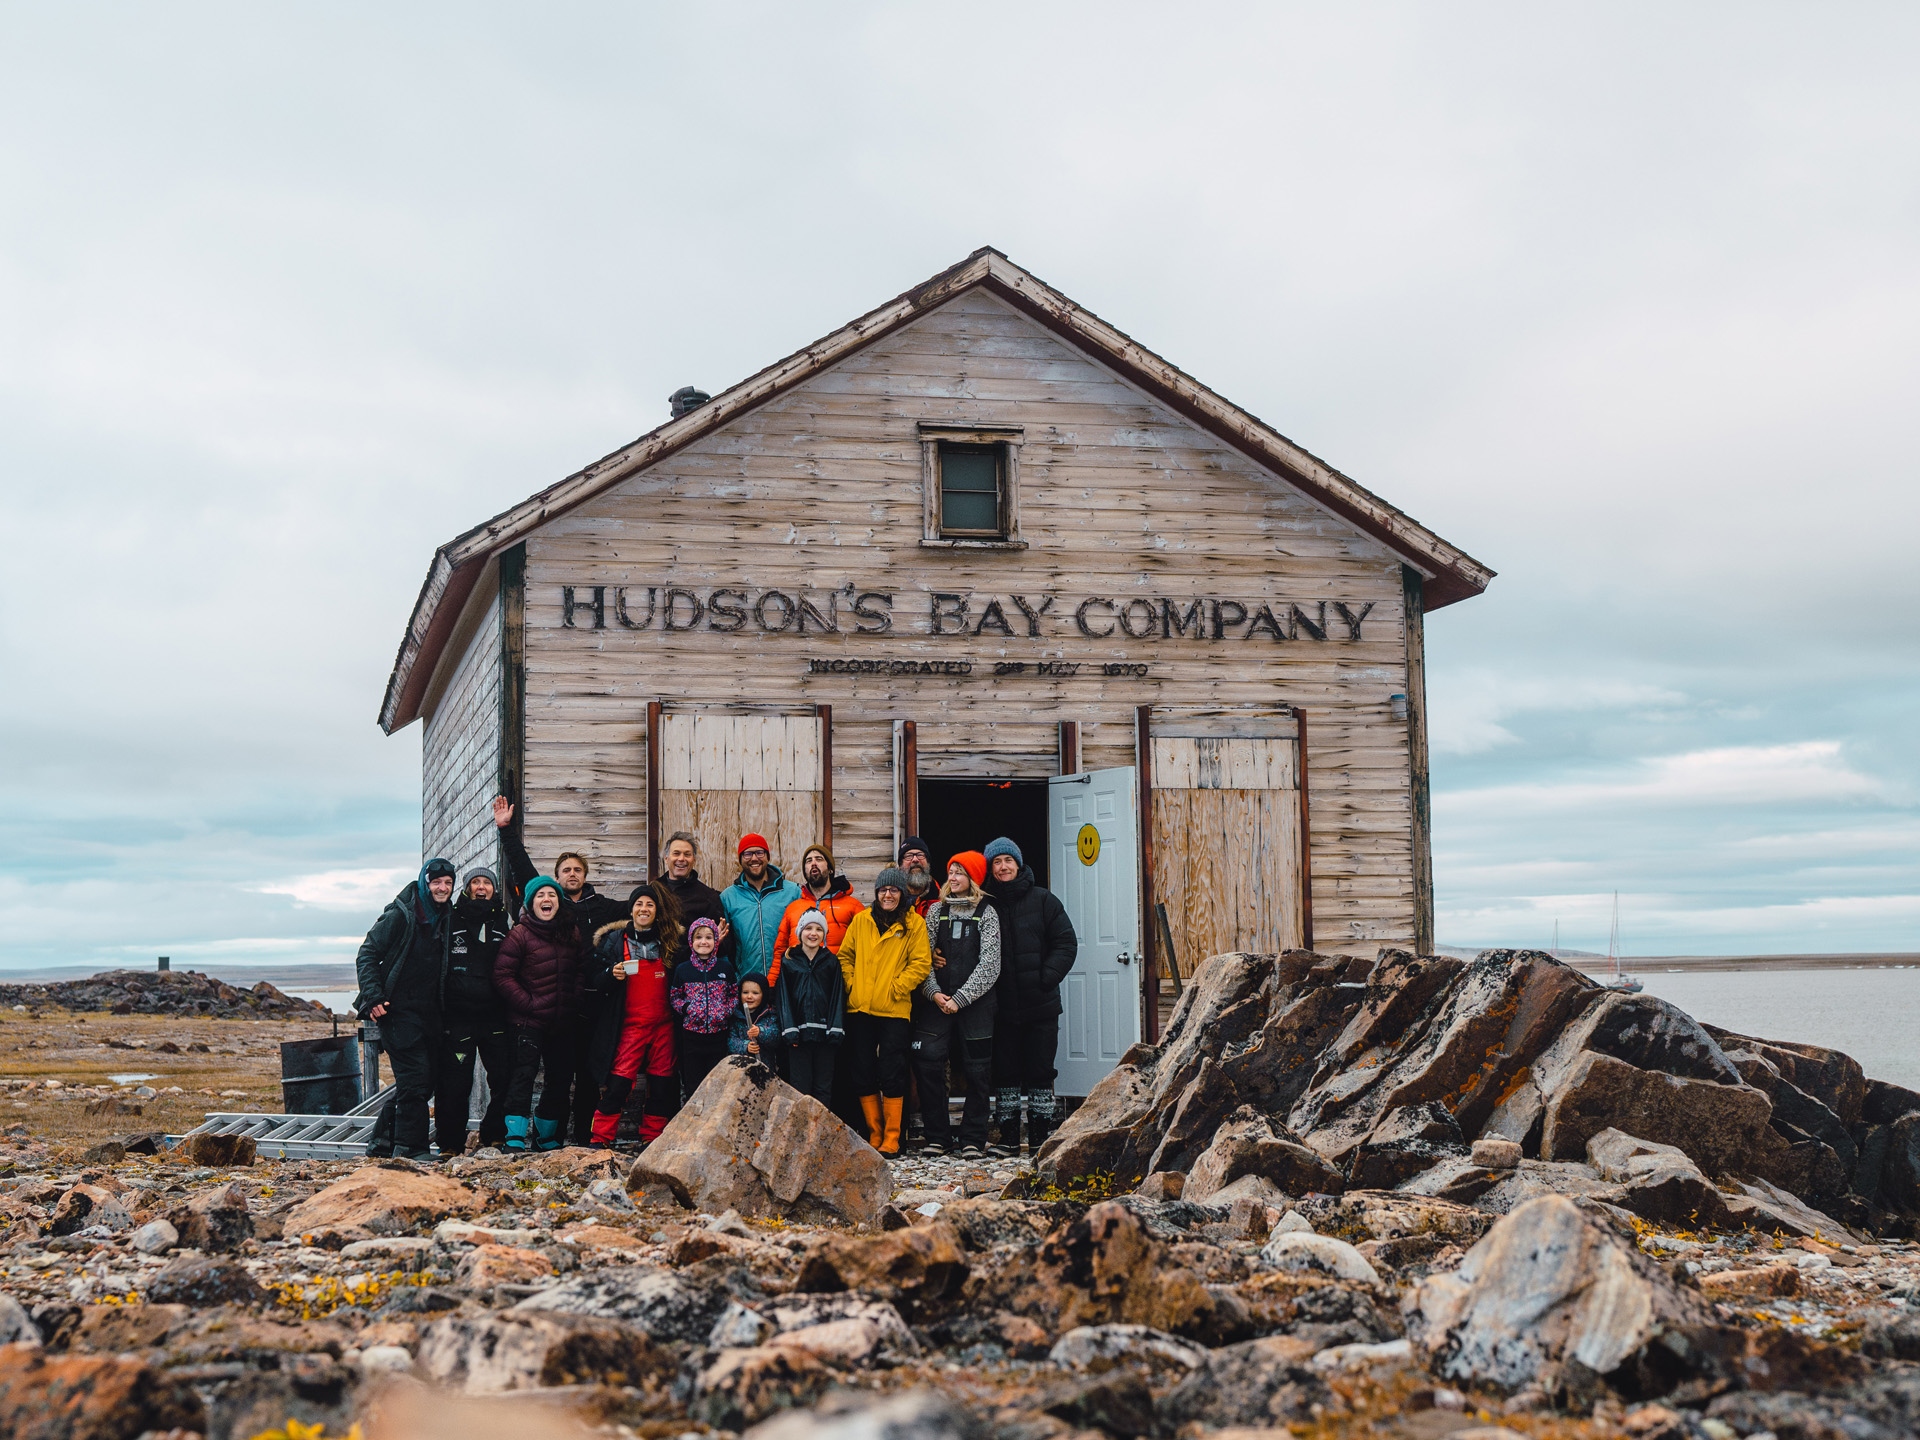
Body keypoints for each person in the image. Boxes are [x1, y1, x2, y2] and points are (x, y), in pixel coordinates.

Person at [493, 796, 625, 1144]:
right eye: (564, 870)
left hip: (578, 1009)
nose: (571, 874)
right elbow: (523, 871)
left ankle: (567, 1137)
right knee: (523, 1075)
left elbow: (642, 911)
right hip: (534, 1014)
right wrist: (506, 831)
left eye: (576, 869)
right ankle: (516, 1138)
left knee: (570, 1076)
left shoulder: (601, 908)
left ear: (585, 875)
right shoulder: (538, 914)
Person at [354, 859, 456, 1160]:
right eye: (436, 882)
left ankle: (382, 1144)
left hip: (429, 1015)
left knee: (421, 1083)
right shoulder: (402, 913)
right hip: (396, 1012)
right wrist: (372, 997)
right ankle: (411, 1149)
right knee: (415, 1080)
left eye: (448, 882)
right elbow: (367, 953)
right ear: (425, 882)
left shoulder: (446, 915)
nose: (442, 887)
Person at [982, 838, 1078, 1155]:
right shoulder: (985, 905)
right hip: (1001, 1006)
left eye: (1009, 860)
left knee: (1040, 1070)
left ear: (1019, 864)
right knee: (1005, 1072)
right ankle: (1008, 1138)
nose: (1004, 866)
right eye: (997, 862)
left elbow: (1066, 943)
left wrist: (1045, 978)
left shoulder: (1044, 901)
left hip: (1041, 1004)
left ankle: (1039, 1138)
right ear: (990, 868)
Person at [836, 867, 932, 1156]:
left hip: (894, 1009)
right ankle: (874, 1134)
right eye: (882, 890)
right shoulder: (862, 920)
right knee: (863, 1070)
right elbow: (845, 957)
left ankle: (893, 1137)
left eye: (893, 890)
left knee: (893, 1071)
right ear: (876, 893)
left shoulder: (914, 924)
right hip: (861, 1008)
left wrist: (897, 987)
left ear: (902, 893)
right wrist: (852, 985)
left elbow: (921, 963)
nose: (887, 895)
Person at [584, 881, 684, 1149]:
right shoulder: (614, 941)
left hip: (664, 1026)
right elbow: (594, 980)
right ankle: (600, 1139)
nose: (644, 908)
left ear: (657, 911)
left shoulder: (671, 941)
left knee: (662, 1086)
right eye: (639, 903)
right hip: (629, 1027)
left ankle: (652, 1140)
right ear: (631, 909)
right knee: (617, 1084)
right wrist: (610, 975)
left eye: (649, 904)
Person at [914, 852, 1001, 1157]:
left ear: (974, 878)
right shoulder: (936, 911)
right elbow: (921, 958)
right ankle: (937, 1137)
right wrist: (934, 993)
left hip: (975, 1004)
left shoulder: (987, 912)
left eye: (960, 873)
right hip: (936, 1002)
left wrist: (960, 999)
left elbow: (990, 965)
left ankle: (973, 1139)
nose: (953, 878)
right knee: (929, 1063)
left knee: (978, 1070)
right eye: (951, 872)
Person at [493, 876, 585, 1151]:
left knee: (559, 1079)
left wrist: (574, 998)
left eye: (552, 895)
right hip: (527, 1021)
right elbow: (502, 975)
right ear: (531, 903)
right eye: (541, 895)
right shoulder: (519, 934)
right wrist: (529, 1004)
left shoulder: (570, 932)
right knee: (523, 1076)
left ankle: (546, 1138)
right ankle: (515, 1139)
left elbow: (580, 970)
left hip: (562, 1021)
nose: (547, 900)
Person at [434, 865, 514, 1157]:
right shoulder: (450, 919)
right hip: (459, 1018)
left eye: (487, 883)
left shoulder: (503, 921)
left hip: (496, 1016)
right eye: (475, 883)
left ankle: (493, 1134)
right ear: (467, 888)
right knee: (454, 1084)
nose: (481, 887)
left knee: (504, 1078)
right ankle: (450, 1144)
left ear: (494, 888)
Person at [773, 908, 845, 1105]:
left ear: (824, 934)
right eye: (808, 928)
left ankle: (821, 1131)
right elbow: (784, 996)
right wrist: (789, 1029)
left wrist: (835, 1028)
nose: (813, 933)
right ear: (800, 933)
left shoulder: (831, 961)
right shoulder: (789, 961)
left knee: (823, 1086)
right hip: (799, 1035)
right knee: (800, 1086)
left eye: (818, 929)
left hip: (825, 1035)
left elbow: (837, 996)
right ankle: (801, 1132)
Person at [719, 834, 800, 986]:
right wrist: (734, 977)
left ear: (767, 857)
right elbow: (725, 946)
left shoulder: (792, 892)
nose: (754, 858)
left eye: (759, 853)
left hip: (787, 980)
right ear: (740, 859)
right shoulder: (728, 897)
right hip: (748, 983)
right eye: (748, 853)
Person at [671, 917, 737, 1098]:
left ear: (716, 940)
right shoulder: (683, 969)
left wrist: (724, 1012)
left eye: (709, 937)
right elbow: (675, 997)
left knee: (716, 1082)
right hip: (692, 1035)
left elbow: (733, 995)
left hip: (718, 1034)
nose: (703, 942)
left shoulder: (725, 967)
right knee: (693, 1083)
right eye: (698, 937)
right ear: (691, 941)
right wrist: (688, 1009)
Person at [770, 845, 863, 969]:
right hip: (800, 983)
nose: (813, 863)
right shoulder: (793, 908)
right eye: (809, 861)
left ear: (830, 869)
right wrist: (772, 985)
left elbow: (865, 948)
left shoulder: (853, 906)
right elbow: (779, 952)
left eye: (819, 859)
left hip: (838, 983)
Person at [659, 830, 727, 933]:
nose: (681, 859)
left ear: (694, 860)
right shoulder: (654, 891)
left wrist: (717, 942)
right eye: (676, 853)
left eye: (687, 854)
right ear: (666, 858)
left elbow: (721, 941)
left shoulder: (709, 898)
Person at [727, 975, 783, 1069]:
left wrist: (760, 1032)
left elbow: (776, 1037)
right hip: (740, 1070)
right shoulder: (736, 1015)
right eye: (745, 992)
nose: (749, 996)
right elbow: (730, 1041)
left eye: (755, 993)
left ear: (764, 994)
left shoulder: (770, 1015)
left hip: (765, 1068)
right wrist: (745, 1046)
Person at [897, 837, 939, 917]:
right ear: (900, 865)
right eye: (909, 856)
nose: (915, 859)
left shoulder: (941, 899)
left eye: (920, 855)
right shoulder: (893, 900)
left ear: (928, 862)